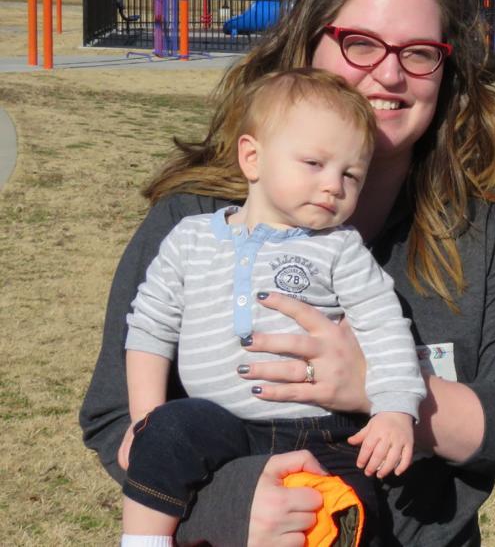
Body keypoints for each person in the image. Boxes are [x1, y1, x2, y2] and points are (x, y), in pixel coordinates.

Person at [82, 0, 495, 546]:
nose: (389, 74)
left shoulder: (485, 234)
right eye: (360, 43)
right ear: (307, 45)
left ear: (446, 70)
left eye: (420, 52)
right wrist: (228, 506)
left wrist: (379, 388)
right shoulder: (194, 219)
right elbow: (116, 417)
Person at [119, 69, 425, 547]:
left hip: (320, 431)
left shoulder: (340, 249)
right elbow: (149, 329)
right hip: (216, 424)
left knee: (352, 508)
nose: (334, 185)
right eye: (314, 163)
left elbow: (385, 329)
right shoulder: (190, 240)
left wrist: (394, 410)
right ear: (252, 158)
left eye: (351, 174)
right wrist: (145, 418)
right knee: (167, 433)